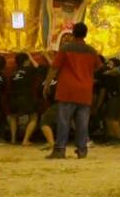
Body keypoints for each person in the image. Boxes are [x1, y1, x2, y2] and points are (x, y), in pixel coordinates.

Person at [41, 22, 100, 159]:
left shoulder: (66, 48)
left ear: (73, 33)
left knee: (63, 121)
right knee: (82, 123)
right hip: (85, 90)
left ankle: (60, 149)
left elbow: (54, 67)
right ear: (85, 34)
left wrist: (47, 84)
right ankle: (82, 150)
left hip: (67, 90)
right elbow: (98, 67)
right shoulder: (91, 50)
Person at [99, 58, 120, 141]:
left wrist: (98, 106)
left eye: (110, 64)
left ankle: (117, 138)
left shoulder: (108, 73)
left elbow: (103, 91)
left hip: (118, 95)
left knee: (110, 117)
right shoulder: (119, 74)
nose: (108, 65)